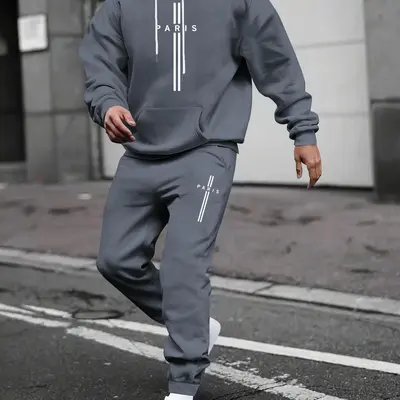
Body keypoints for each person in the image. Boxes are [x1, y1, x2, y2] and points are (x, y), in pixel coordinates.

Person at [79, 0, 322, 398]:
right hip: (141, 149)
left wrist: (303, 131)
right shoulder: (120, 5)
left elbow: (276, 60)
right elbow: (101, 64)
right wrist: (108, 104)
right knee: (116, 259)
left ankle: (182, 383)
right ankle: (195, 326)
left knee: (184, 266)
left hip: (207, 149)